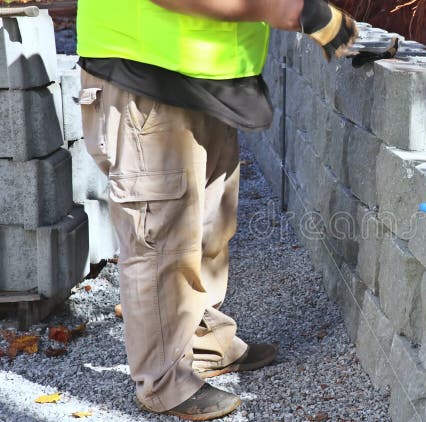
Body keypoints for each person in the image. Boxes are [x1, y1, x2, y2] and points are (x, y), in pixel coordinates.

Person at [76, 0, 357, 419]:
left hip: (204, 75)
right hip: (144, 70)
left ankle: (203, 342)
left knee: (208, 227)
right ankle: (163, 381)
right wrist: (280, 7)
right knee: (162, 238)